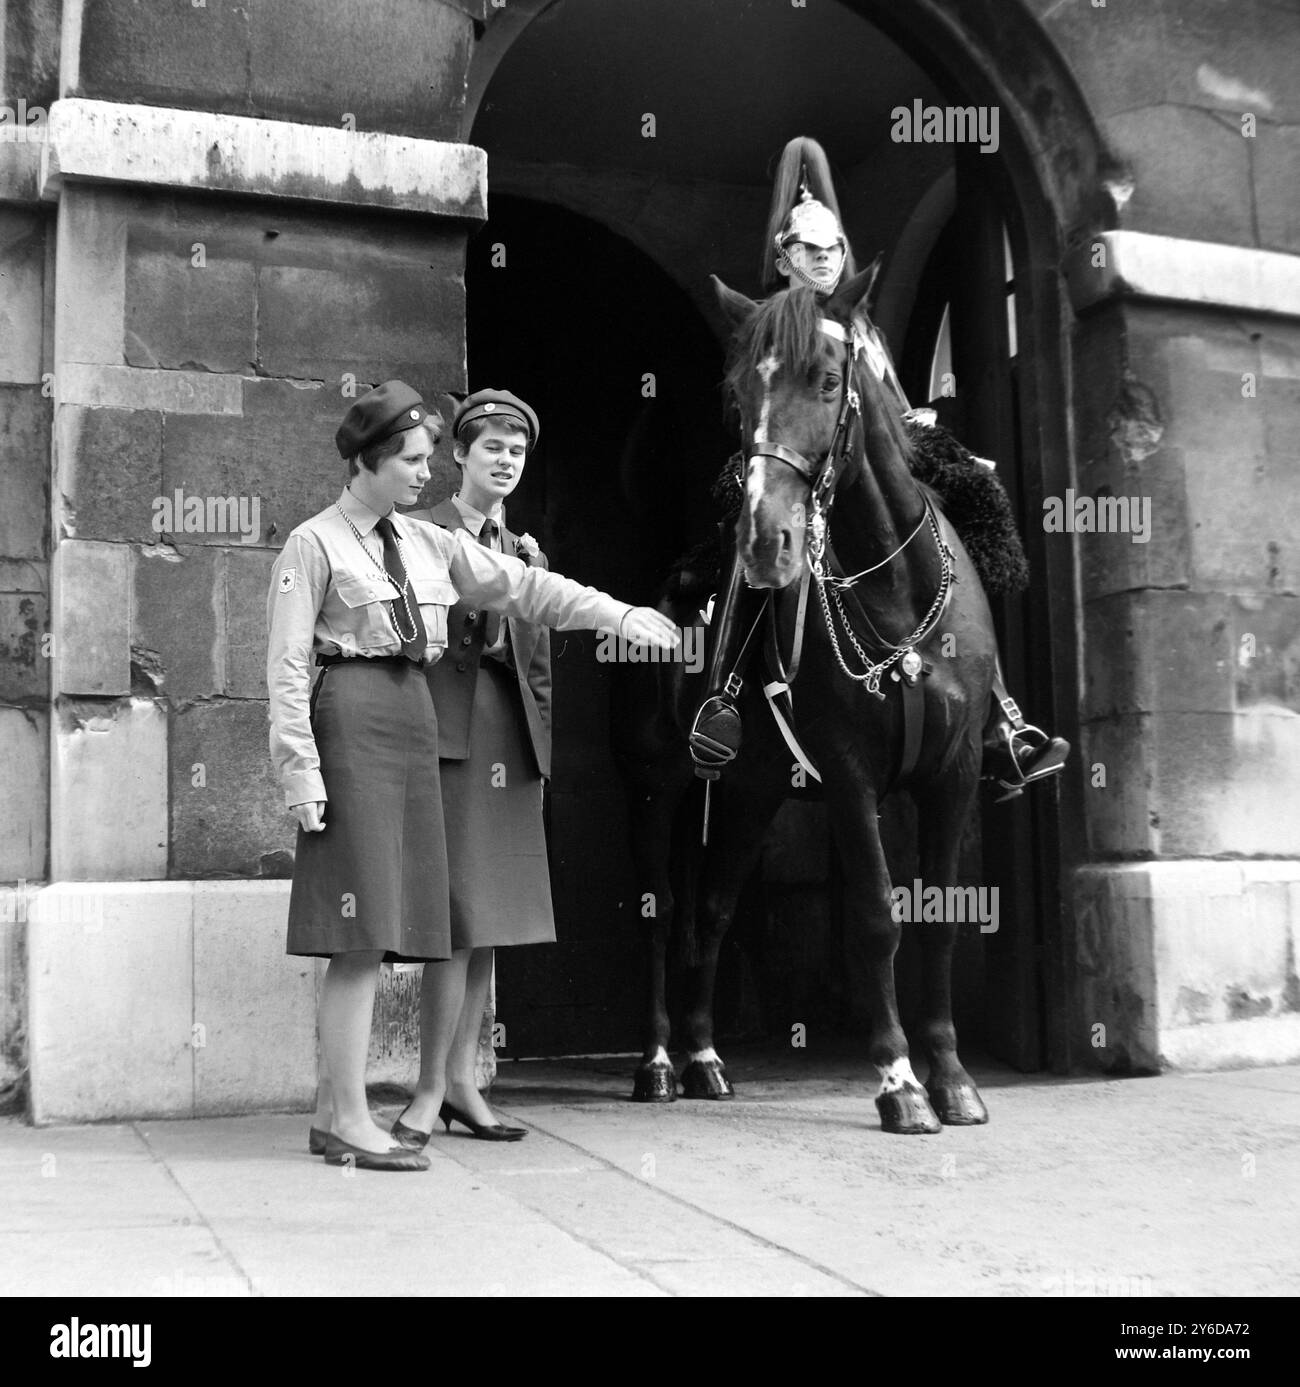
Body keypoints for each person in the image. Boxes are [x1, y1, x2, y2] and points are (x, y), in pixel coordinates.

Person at [267, 380, 679, 1171]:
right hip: (352, 714)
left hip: (410, 716)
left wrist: (618, 614)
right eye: (415, 461)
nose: (427, 475)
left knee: (387, 925)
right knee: (356, 932)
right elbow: (287, 669)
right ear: (371, 462)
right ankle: (348, 1115)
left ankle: (337, 1111)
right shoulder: (314, 544)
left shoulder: (428, 545)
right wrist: (301, 775)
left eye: (428, 459)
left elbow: (525, 587)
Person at [688, 136, 1068, 799]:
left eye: (833, 251)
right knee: (747, 529)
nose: (825, 262)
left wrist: (917, 423)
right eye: (810, 251)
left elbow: (884, 395)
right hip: (785, 455)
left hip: (873, 448)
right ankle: (723, 692)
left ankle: (998, 717)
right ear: (786, 257)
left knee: (973, 499)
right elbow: (762, 401)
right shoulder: (774, 322)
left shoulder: (859, 324)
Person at [394, 390, 553, 1145]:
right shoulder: (420, 534)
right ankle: (429, 1087)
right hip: (447, 734)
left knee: (488, 923)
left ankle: (463, 1081)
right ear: (459, 454)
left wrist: (540, 753)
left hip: (506, 738)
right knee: (453, 919)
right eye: (491, 447)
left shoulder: (526, 553)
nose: (505, 461)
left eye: (516, 452)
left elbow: (541, 665)